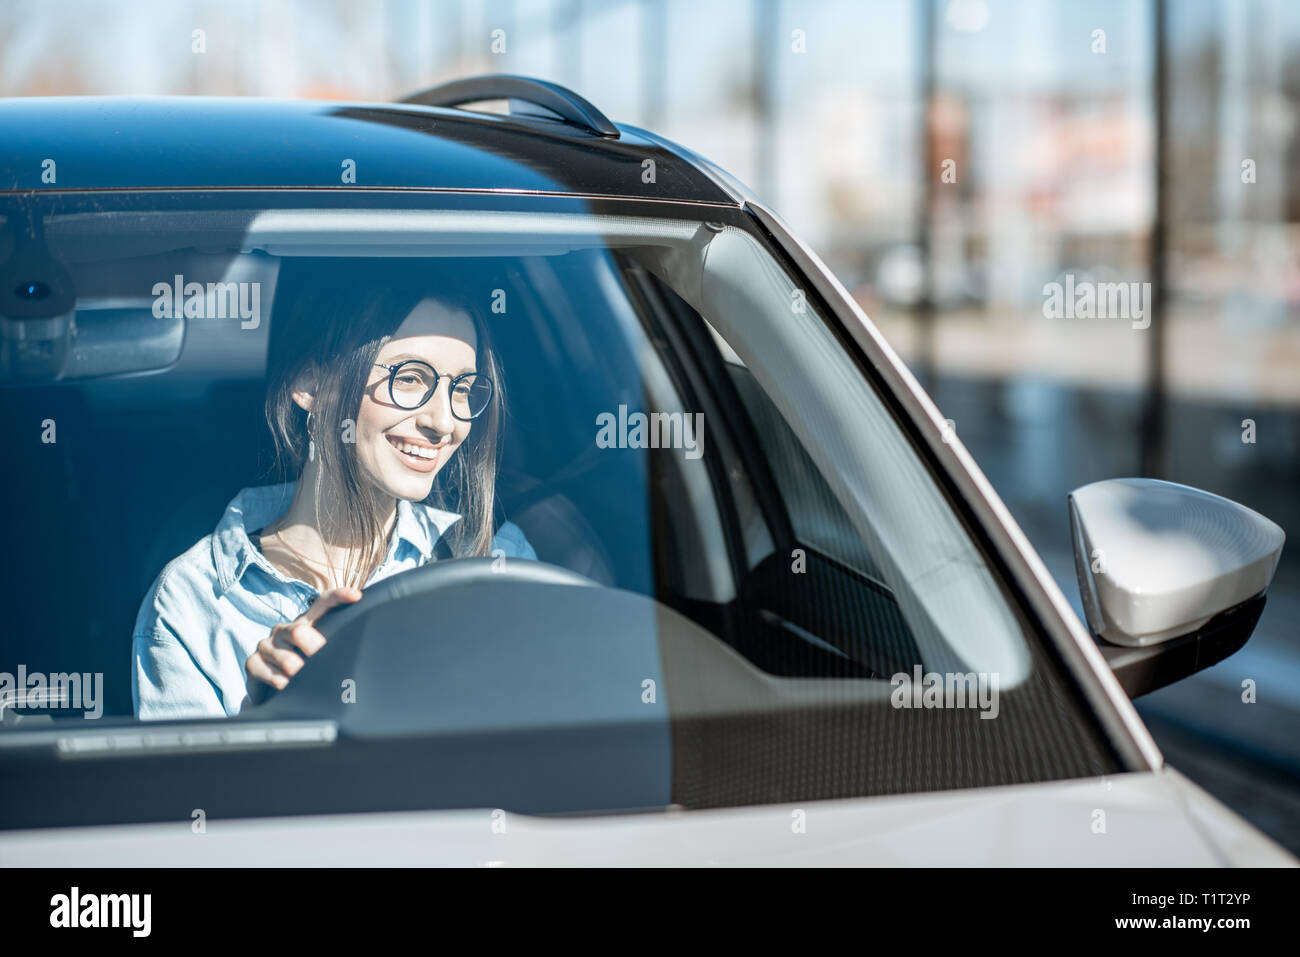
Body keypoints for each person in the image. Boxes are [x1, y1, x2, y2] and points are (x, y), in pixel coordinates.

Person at [132, 264, 535, 720]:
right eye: (409, 378)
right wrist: (262, 720)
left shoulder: (497, 557)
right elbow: (188, 792)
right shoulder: (193, 603)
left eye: (463, 388)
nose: (444, 422)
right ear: (309, 384)